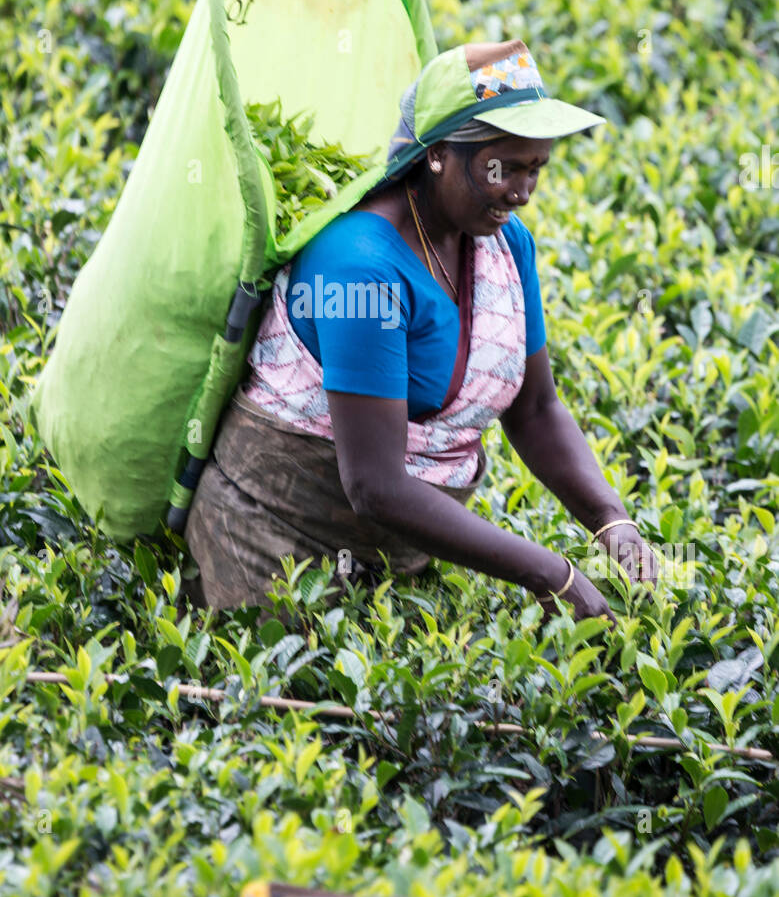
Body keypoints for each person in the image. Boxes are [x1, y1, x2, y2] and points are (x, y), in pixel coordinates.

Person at [186, 38, 658, 619]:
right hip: (271, 559)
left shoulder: (505, 245)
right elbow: (375, 484)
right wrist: (551, 573)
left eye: (536, 168)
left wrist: (612, 520)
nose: (522, 192)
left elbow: (535, 410)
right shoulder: (360, 265)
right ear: (436, 155)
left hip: (395, 566)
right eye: (501, 168)